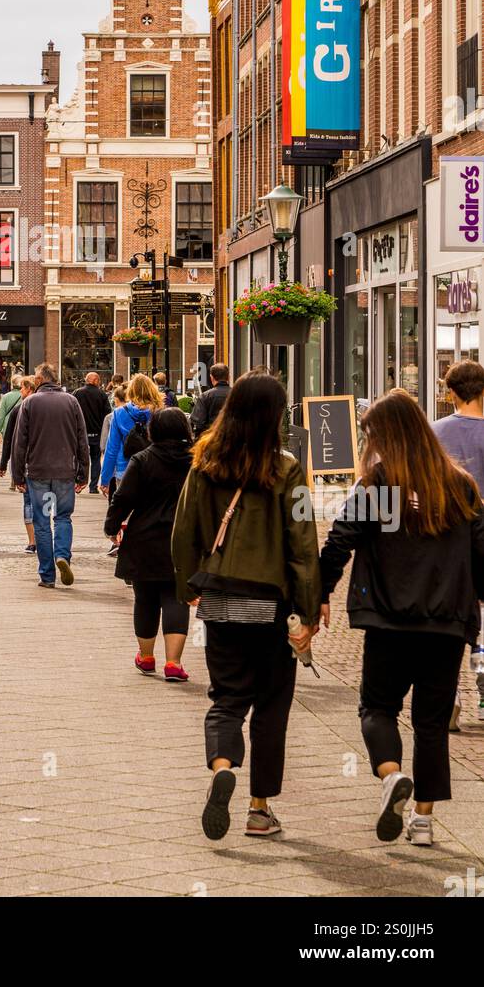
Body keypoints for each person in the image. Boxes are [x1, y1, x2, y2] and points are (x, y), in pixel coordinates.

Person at [320, 388, 484, 847]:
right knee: (432, 725)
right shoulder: (460, 485)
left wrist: (317, 593)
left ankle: (391, 775)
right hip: (446, 623)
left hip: (388, 620)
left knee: (378, 708)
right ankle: (424, 821)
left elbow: (339, 542)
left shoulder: (376, 485)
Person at [171, 370, 320, 841]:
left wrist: (186, 587)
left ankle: (220, 768)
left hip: (220, 601)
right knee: (273, 708)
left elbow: (184, 531)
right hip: (271, 605)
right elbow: (303, 544)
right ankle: (259, 809)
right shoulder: (289, 468)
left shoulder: (204, 463)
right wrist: (309, 611)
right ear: (276, 416)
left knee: (227, 698)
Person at [104, 408, 194, 681]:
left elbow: (124, 497)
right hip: (183, 539)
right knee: (177, 596)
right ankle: (173, 663)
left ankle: (146, 657)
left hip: (144, 537)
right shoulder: (196, 461)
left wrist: (111, 526)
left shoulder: (143, 460)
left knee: (145, 599)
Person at [433, 360, 484, 727]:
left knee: (448, 620)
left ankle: (450, 697)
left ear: (450, 393)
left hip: (448, 538)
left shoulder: (434, 434)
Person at [11, 362, 90, 588]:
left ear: (39, 380)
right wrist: (84, 473)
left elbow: (20, 443)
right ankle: (62, 555)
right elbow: (82, 440)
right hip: (65, 472)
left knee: (42, 521)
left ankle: (47, 575)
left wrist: (18, 476)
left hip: (38, 474)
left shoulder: (30, 403)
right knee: (63, 517)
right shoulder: (71, 402)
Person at [100, 373, 163, 497]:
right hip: (154, 469)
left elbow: (112, 449)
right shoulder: (160, 413)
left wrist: (105, 479)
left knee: (125, 511)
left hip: (125, 470)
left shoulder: (119, 414)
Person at [0, 376, 37, 551]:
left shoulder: (19, 410)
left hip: (27, 464)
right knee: (46, 503)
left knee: (29, 502)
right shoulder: (50, 408)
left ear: (29, 389)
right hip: (49, 464)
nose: (20, 392)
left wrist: (4, 464)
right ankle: (44, 537)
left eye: (21, 388)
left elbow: (9, 440)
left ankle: (33, 541)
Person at [73, 371, 112, 494]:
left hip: (80, 432)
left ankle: (78, 483)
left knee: (79, 459)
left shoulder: (77, 393)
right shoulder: (102, 395)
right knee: (95, 459)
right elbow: (107, 415)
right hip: (97, 433)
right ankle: (93, 487)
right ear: (96, 381)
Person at [101, 385, 128, 519]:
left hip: (121, 469)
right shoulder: (151, 412)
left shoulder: (113, 416)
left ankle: (119, 536)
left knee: (121, 508)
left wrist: (105, 479)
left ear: (116, 399)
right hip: (147, 469)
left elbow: (108, 449)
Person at [190, 363, 231, 441]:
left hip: (211, 441)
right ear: (228, 377)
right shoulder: (237, 394)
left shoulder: (205, 396)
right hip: (233, 441)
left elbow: (198, 423)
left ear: (211, 378)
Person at [0, 374, 23, 446]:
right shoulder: (26, 396)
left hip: (7, 428)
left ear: (12, 385)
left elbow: (1, 416)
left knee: (8, 451)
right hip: (21, 428)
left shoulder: (5, 397)